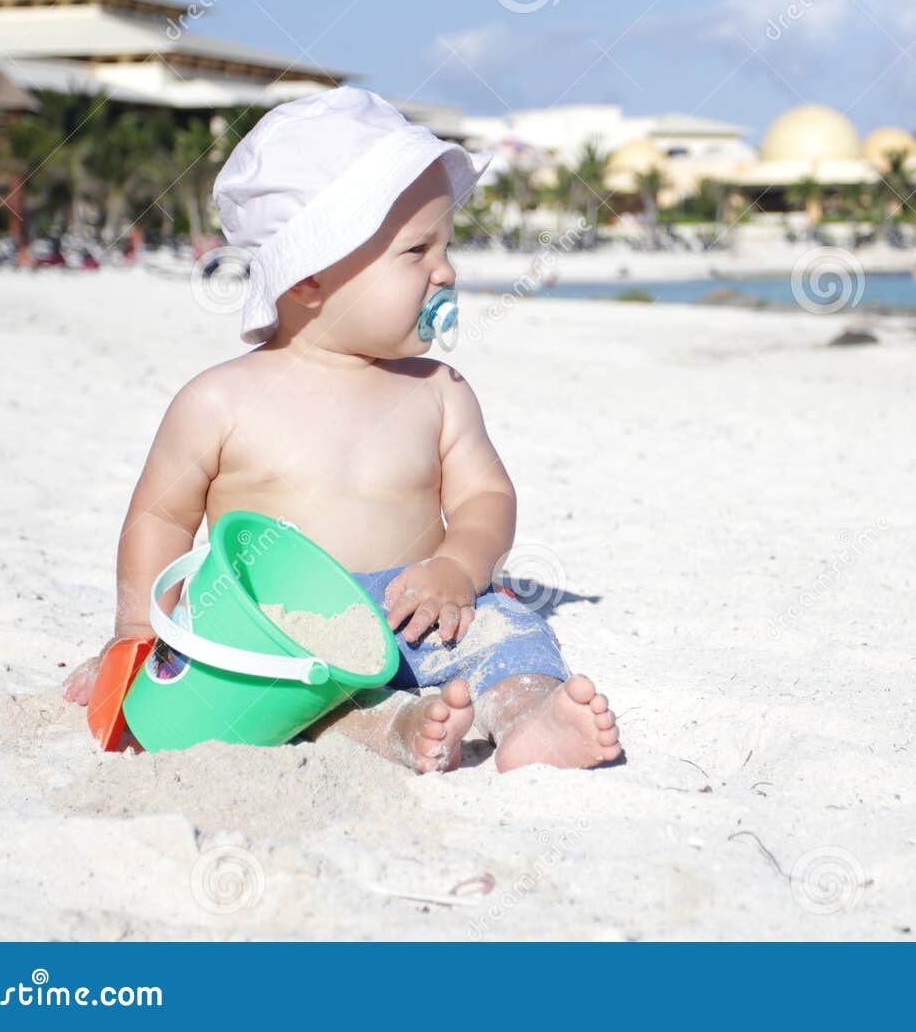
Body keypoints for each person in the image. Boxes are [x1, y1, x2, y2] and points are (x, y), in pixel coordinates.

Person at [63, 88, 621, 774]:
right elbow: (159, 519)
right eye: (417, 250)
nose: (446, 270)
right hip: (278, 620)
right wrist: (138, 637)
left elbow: (486, 499)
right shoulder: (218, 400)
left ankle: (529, 714)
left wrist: (457, 565)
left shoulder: (438, 391)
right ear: (308, 279)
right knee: (288, 696)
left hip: (418, 602)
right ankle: (393, 726)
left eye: (446, 246)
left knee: (508, 627)